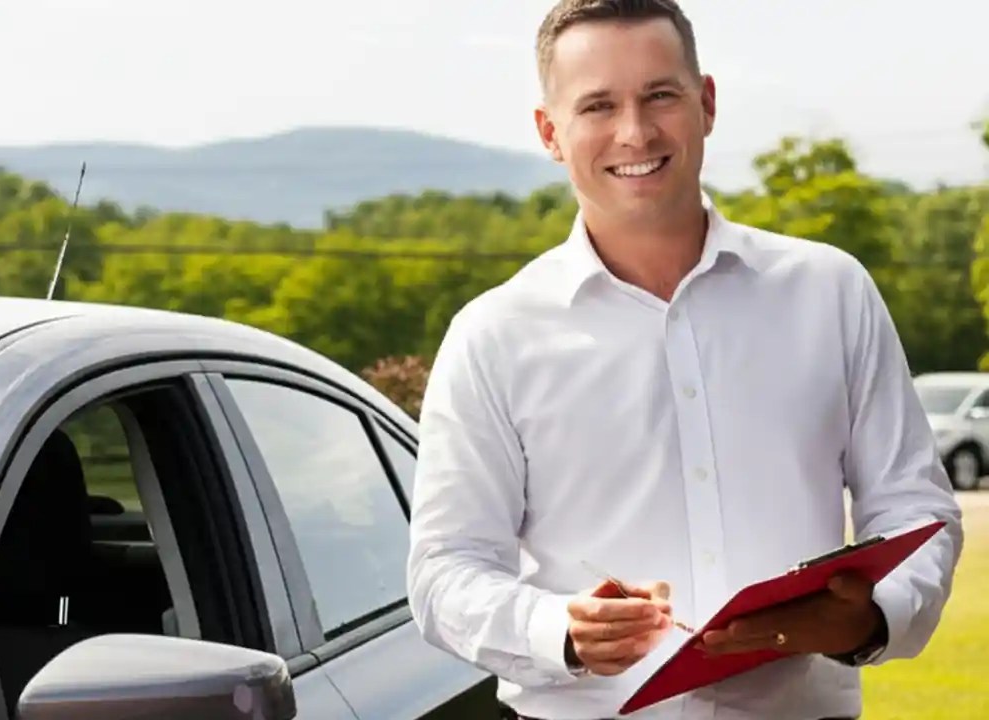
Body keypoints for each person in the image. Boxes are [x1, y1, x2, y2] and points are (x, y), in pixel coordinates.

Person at [404, 1, 964, 719]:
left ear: (706, 103)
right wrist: (556, 631)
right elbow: (443, 571)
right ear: (550, 132)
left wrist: (871, 617)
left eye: (659, 95)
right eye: (598, 105)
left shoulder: (830, 292)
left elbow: (917, 507)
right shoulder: (493, 336)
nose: (634, 132)